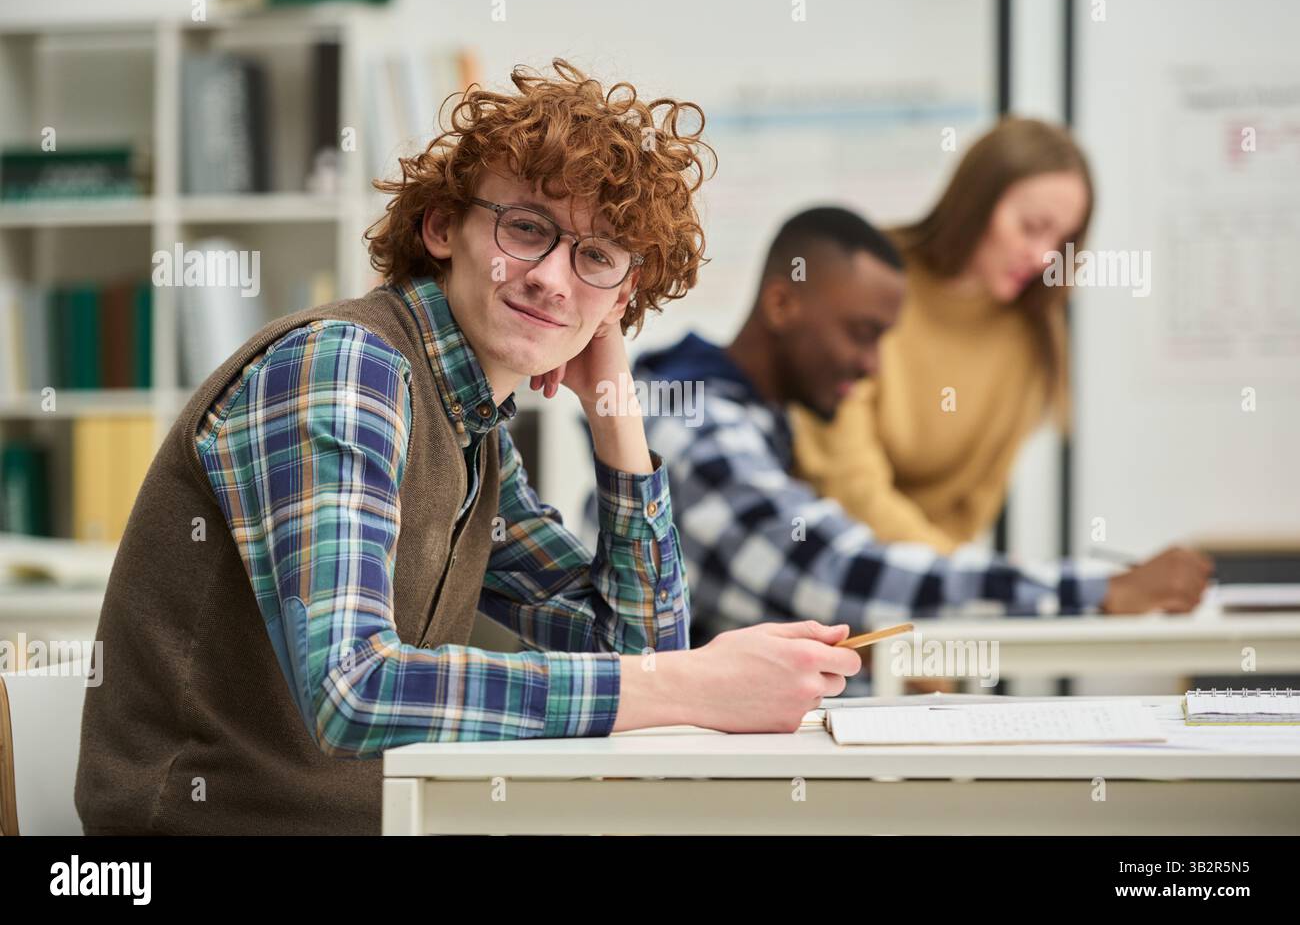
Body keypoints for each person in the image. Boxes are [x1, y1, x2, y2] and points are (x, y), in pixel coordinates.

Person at [74, 60, 861, 836]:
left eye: (597, 256)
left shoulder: (471, 424)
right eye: (526, 229)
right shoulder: (346, 368)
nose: (555, 278)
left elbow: (627, 647)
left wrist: (615, 413)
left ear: (622, 297)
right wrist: (687, 684)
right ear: (443, 227)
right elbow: (356, 690)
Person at [611, 206, 1211, 660]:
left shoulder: (758, 421)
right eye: (861, 332)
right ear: (782, 304)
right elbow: (836, 578)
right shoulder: (695, 423)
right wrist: (1097, 590)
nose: (873, 365)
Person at [792, 118, 1095, 552]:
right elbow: (844, 480)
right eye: (1031, 227)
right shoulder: (865, 279)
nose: (1044, 256)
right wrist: (948, 578)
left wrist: (948, 585)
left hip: (930, 590)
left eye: (1062, 239)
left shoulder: (1035, 336)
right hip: (822, 563)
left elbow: (971, 509)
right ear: (975, 203)